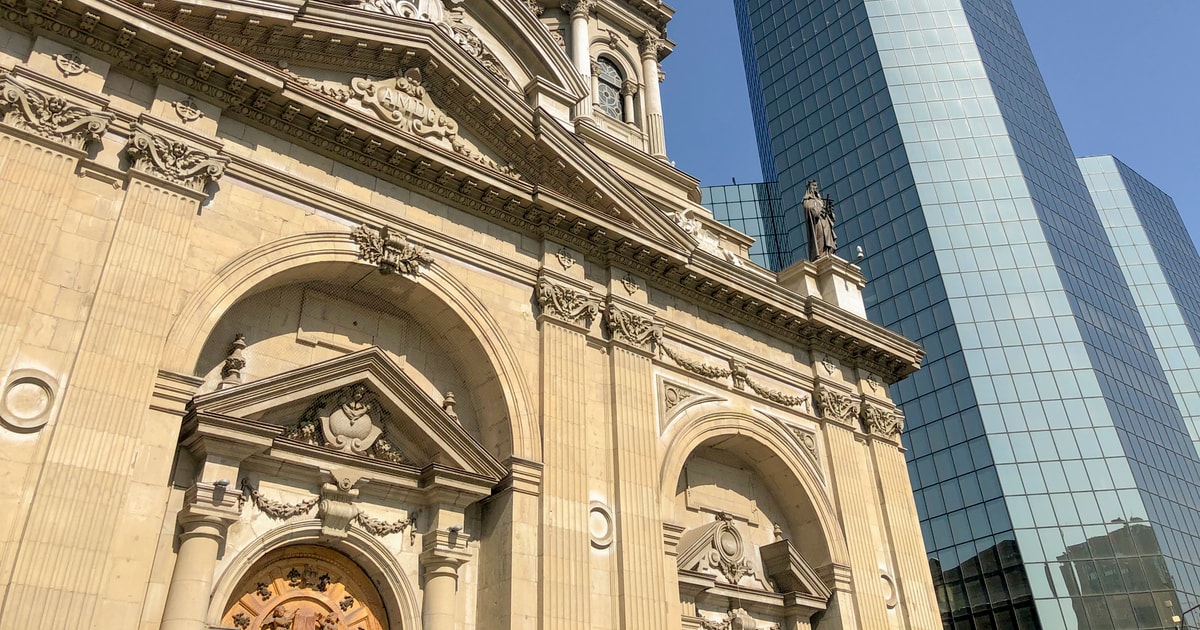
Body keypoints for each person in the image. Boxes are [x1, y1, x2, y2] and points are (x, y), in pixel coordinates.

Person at [803, 180, 837, 259]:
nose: (816, 187)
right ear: (810, 187)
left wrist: (829, 210)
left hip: (825, 222)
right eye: (814, 185)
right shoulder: (808, 200)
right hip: (818, 223)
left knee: (828, 241)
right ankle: (821, 255)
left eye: (816, 186)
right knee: (820, 239)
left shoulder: (820, 200)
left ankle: (828, 254)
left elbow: (831, 217)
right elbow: (809, 209)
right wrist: (819, 210)